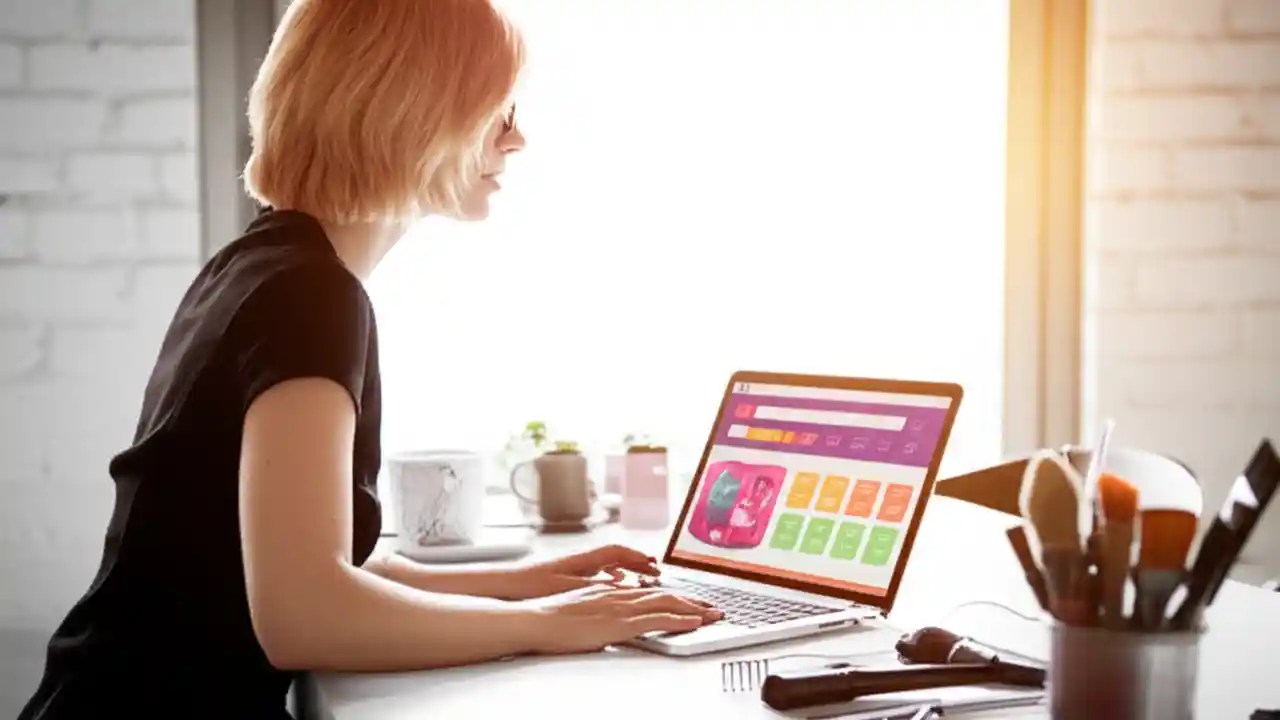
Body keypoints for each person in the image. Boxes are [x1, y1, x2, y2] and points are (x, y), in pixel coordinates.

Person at [18, 1, 721, 717]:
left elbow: (328, 570)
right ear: (414, 114)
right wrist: (546, 628)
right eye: (499, 110)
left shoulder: (258, 265)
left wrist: (529, 583)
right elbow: (304, 615)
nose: (518, 139)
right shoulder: (309, 297)